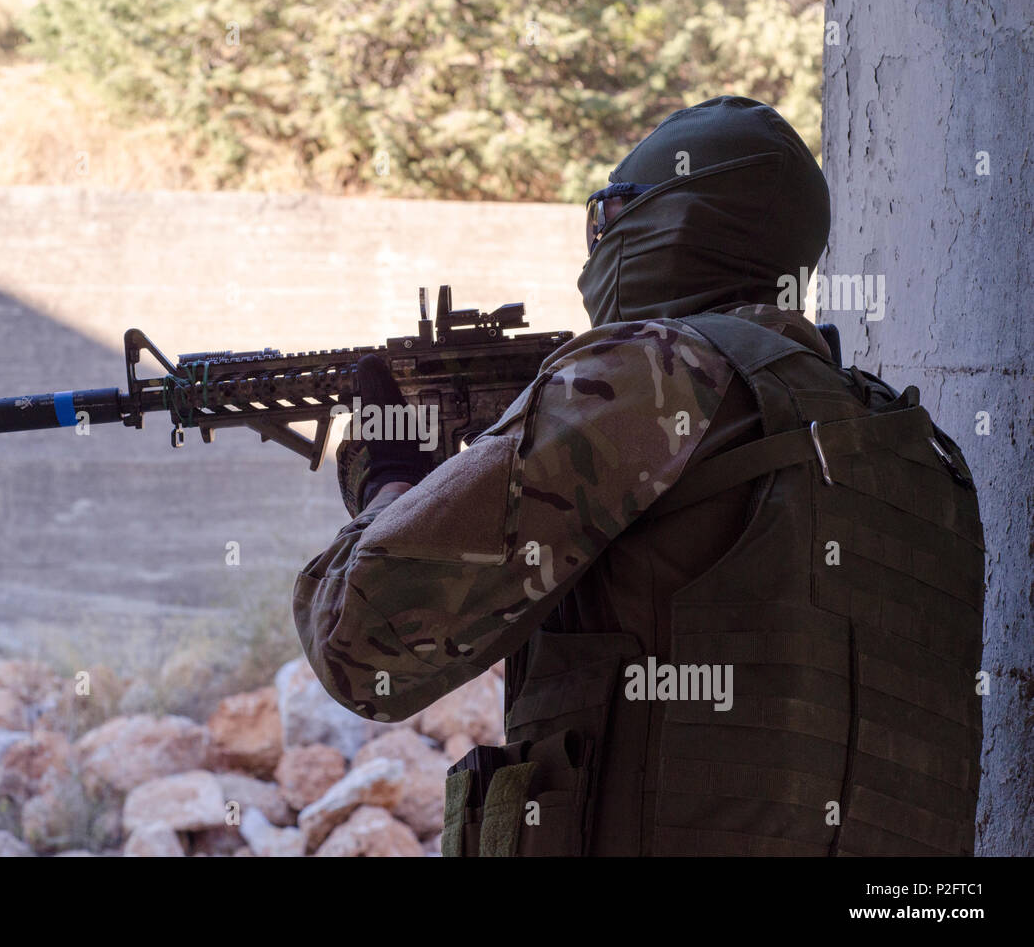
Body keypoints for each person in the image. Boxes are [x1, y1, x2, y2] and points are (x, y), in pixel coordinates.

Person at [293, 96, 985, 856]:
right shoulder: (921, 456)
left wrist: (390, 480)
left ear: (673, 222)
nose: (598, 246)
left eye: (614, 214)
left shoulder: (651, 377)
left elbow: (361, 647)